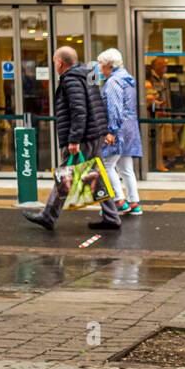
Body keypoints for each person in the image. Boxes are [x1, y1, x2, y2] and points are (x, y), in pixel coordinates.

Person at [22, 45, 122, 232]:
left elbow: (79, 111)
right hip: (95, 133)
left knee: (66, 174)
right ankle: (112, 216)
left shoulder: (71, 80)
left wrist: (74, 140)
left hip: (84, 136)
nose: (55, 65)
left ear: (60, 62)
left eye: (54, 62)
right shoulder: (87, 75)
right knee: (95, 174)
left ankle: (48, 216)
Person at [98, 47, 143, 216]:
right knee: (126, 167)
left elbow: (114, 108)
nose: (99, 67)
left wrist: (111, 130)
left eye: (101, 63)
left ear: (109, 65)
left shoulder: (113, 82)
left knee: (107, 164)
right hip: (131, 127)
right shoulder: (128, 79)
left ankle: (119, 201)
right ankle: (134, 202)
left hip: (119, 128)